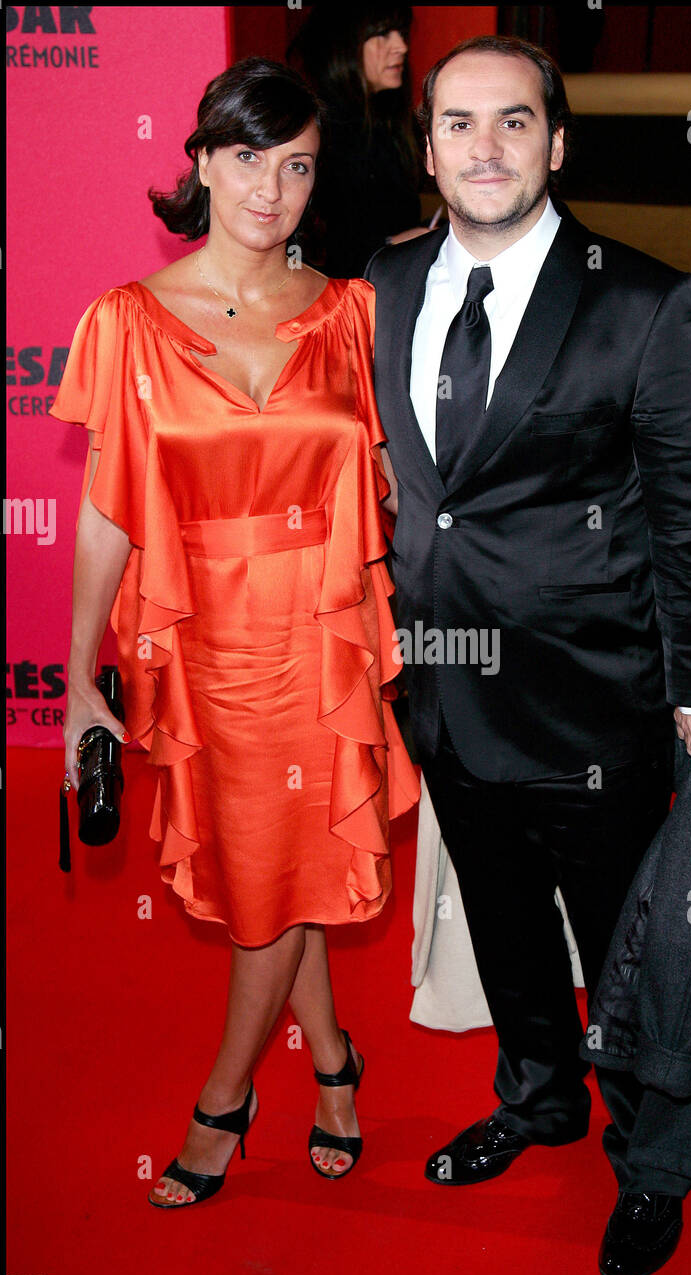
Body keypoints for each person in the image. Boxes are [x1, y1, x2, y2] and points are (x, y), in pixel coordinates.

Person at [364, 35, 691, 1275]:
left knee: (633, 952)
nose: (484, 148)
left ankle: (649, 1155)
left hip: (598, 710)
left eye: (512, 123)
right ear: (427, 150)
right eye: (458, 125)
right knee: (507, 929)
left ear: (556, 142)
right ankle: (536, 1098)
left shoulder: (642, 299)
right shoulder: (392, 279)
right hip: (448, 693)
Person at [50, 57, 418, 1207]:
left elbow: (397, 480)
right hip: (203, 643)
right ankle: (338, 1068)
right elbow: (110, 510)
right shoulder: (127, 321)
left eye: (297, 164)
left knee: (276, 875)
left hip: (323, 637)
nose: (270, 187)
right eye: (247, 156)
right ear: (201, 161)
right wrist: (75, 682)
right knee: (275, 875)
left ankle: (224, 1101)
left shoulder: (353, 313)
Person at [288, 2, 431, 276]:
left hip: (391, 285)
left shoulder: (390, 123)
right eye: (382, 34)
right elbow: (307, 247)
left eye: (401, 32)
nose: (401, 46)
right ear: (345, 44)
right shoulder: (315, 132)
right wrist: (389, 245)